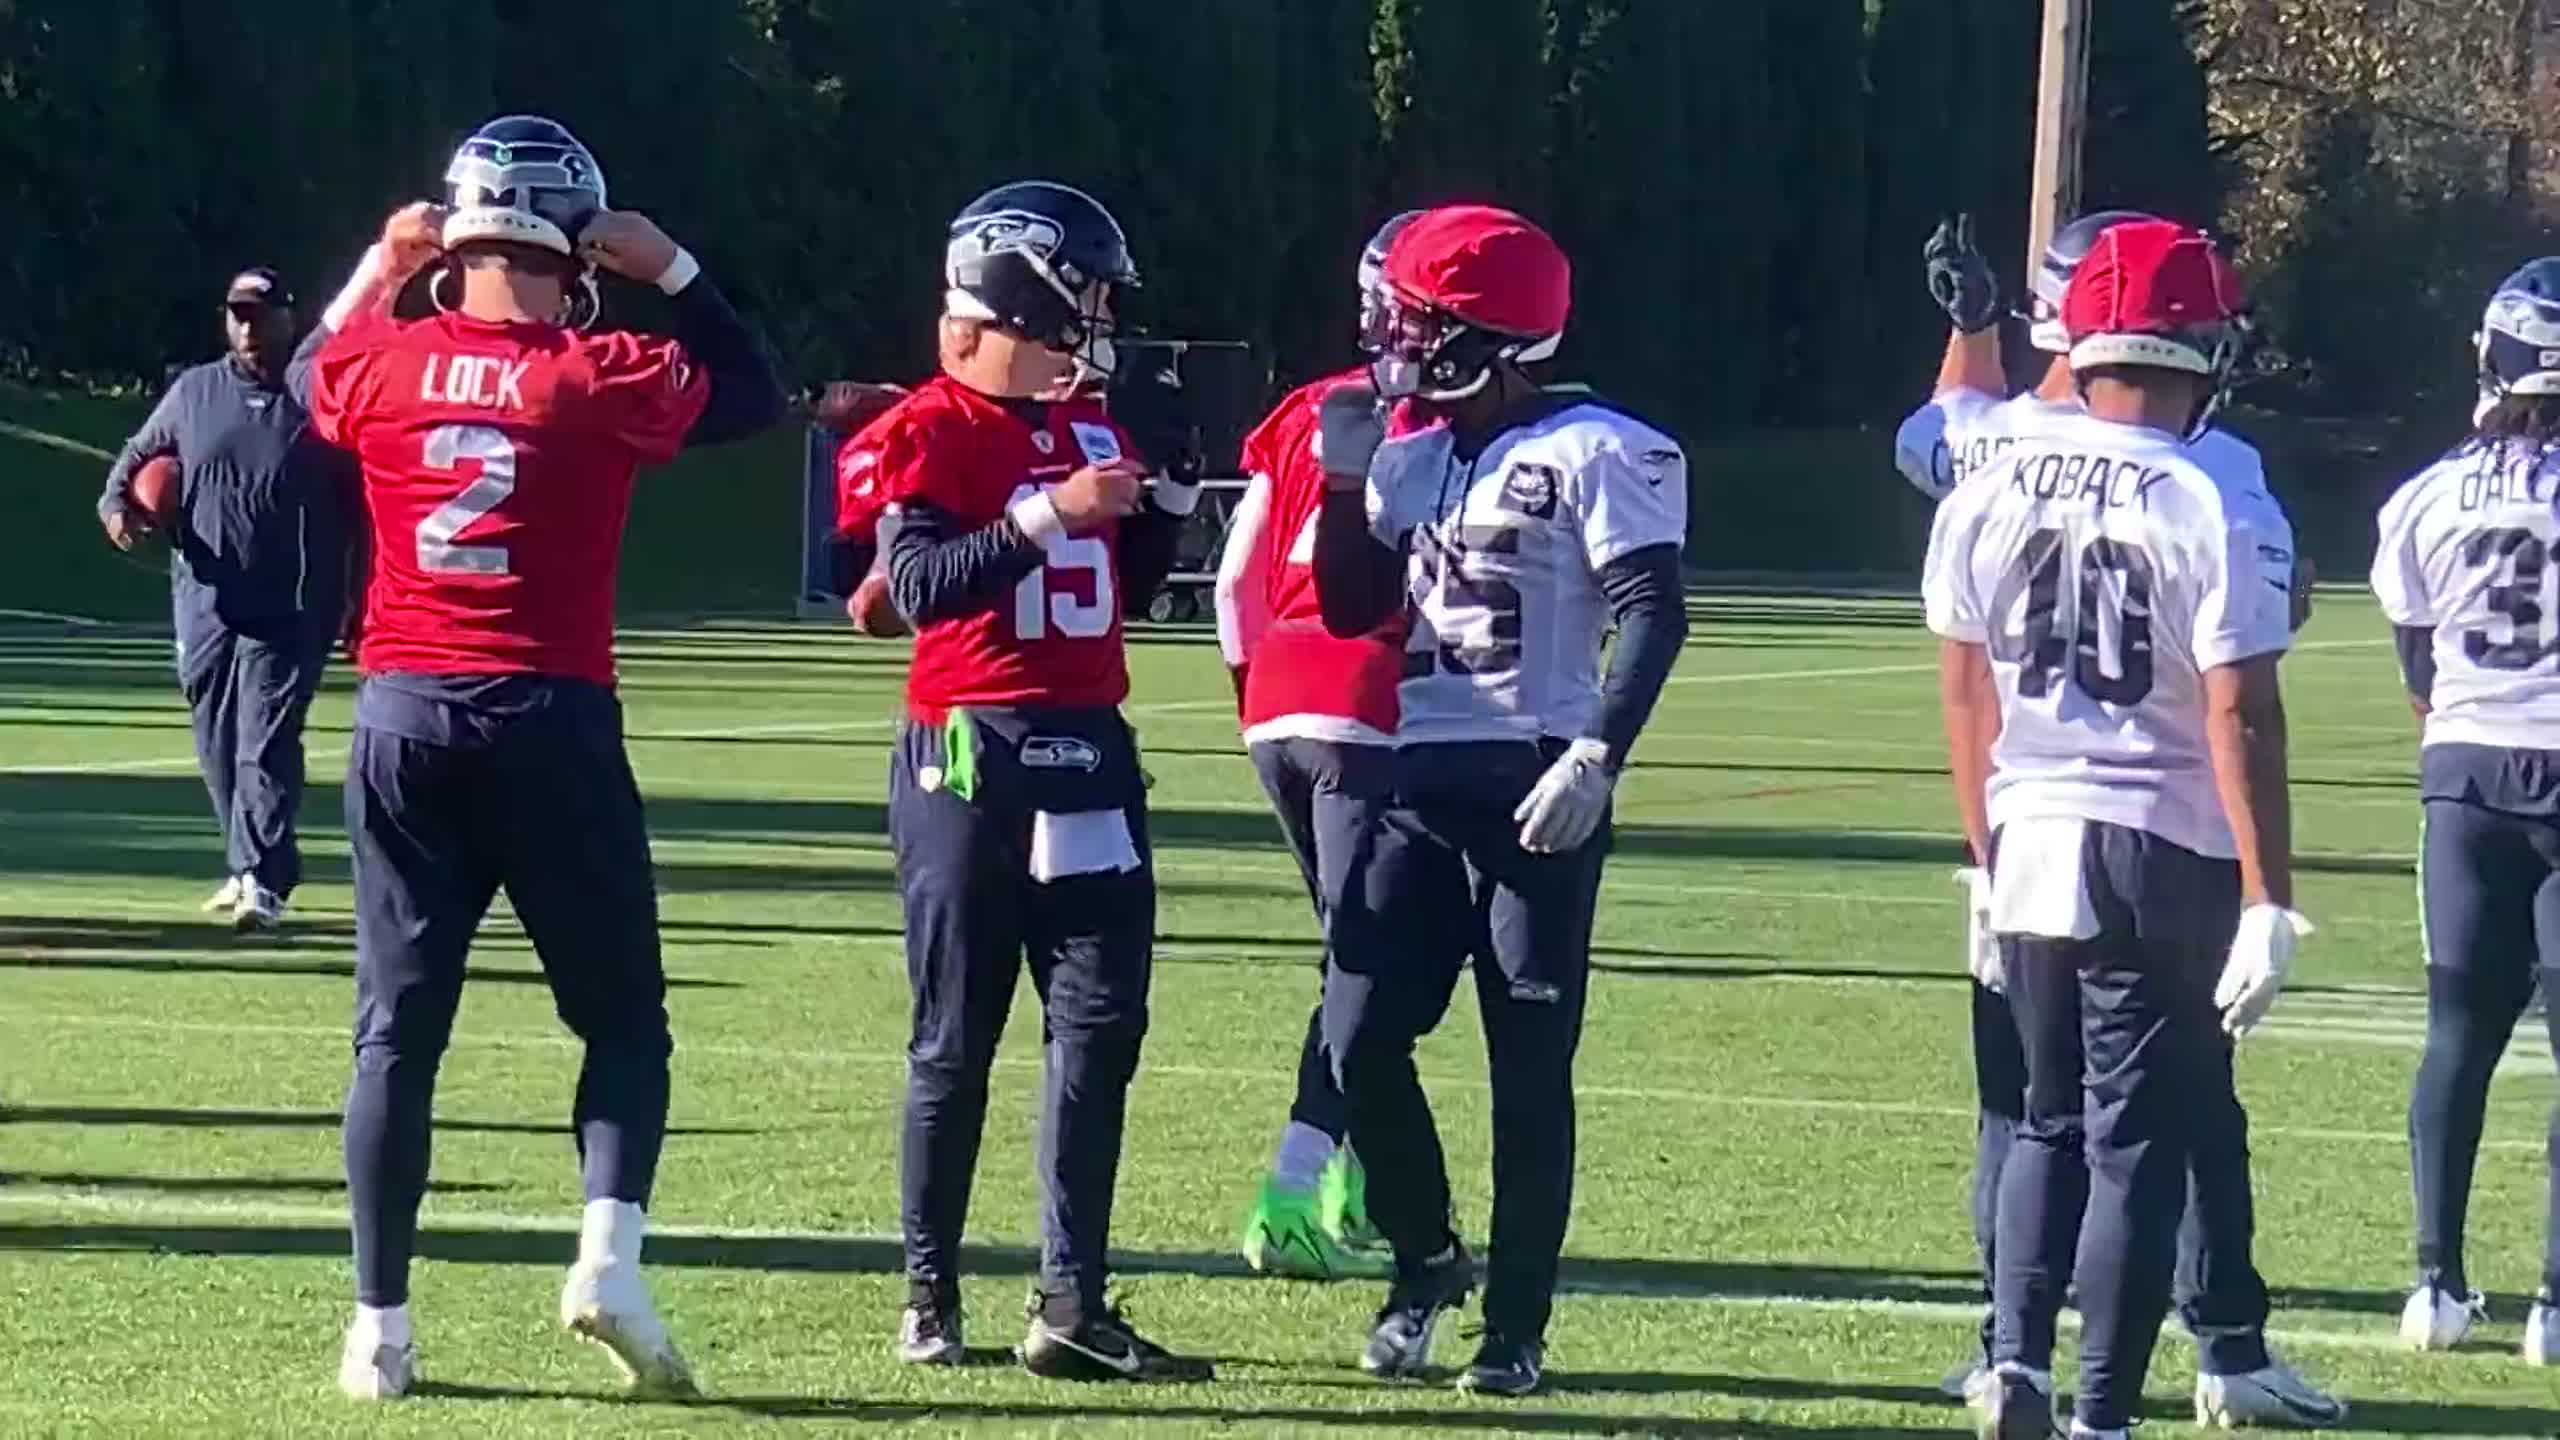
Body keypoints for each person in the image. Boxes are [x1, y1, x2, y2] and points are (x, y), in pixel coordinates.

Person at [294, 114, 783, 1400]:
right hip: (550, 714)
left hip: (405, 715)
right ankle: (608, 1260)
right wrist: (675, 270)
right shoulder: (596, 368)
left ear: (456, 243)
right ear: (576, 250)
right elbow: (750, 392)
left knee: (395, 1037)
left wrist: (378, 265)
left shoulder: (386, 366)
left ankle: (380, 1330)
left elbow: (307, 379)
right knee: (622, 1021)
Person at [1897, 212, 2342, 1427]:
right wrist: (2266, 895)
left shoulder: (1989, 480)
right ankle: (2099, 1407)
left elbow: (1962, 684)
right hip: (2164, 840)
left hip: (2030, 830)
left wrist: (1984, 855)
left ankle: (2018, 1367)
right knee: (2137, 1138)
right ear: (2203, 342)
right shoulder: (2214, 493)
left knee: (2043, 1117)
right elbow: (2240, 710)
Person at [833, 179, 1212, 1382]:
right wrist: (1050, 514)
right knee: (956, 1039)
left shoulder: (1101, 424)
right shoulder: (929, 427)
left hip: (1092, 748)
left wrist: (1168, 513)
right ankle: (928, 1293)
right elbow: (923, 587)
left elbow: (1131, 585)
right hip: (969, 751)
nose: (1097, 315)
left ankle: (1071, 1301)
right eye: (1083, 292)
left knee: (1099, 1035)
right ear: (1023, 289)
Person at [1310, 204, 1689, 1396]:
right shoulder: (1416, 447)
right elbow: (1344, 603)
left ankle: (1515, 1326)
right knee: (1357, 1039)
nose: (1396, 341)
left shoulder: (1598, 448)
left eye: (1420, 321)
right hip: (1420, 784)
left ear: (1485, 332)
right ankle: (1425, 1258)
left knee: (1527, 1067)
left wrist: (1598, 754)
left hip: (1534, 785)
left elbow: (1652, 611)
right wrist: (1340, 478)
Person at [1214, 211, 1422, 1283]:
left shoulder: (1303, 406)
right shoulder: (1431, 413)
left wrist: (1257, 693)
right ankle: (1294, 1193)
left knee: (1355, 951)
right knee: (1367, 966)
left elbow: (1232, 578)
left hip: (1276, 702)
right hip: (1367, 698)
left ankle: (1352, 1180)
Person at [2371, 258, 2560, 1366]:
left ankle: (2433, 1285)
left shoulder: (2431, 491)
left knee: (2455, 1040)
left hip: (2466, 775)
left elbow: (2417, 656)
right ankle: (2553, 1305)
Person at [97, 267, 353, 931]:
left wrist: (357, 590)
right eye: (238, 313)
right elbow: (136, 459)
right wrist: (119, 506)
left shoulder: (317, 397)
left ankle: (263, 882)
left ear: (289, 319)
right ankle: (249, 866)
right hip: (206, 599)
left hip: (291, 602)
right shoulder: (195, 391)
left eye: (261, 314)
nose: (248, 327)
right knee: (217, 743)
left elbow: (360, 502)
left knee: (263, 743)